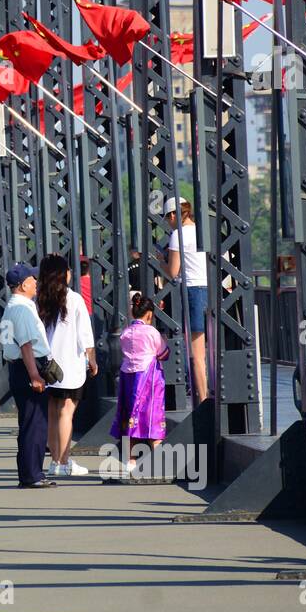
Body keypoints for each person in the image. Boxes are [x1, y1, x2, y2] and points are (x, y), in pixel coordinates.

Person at [37, 254, 98, 478]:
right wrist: (91, 359)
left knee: (53, 413)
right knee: (66, 413)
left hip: (48, 367)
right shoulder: (73, 299)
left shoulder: (40, 299)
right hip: (70, 366)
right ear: (63, 274)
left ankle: (54, 462)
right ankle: (64, 461)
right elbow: (85, 334)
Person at [0, 263, 56, 488]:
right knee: (36, 423)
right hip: (28, 367)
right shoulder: (22, 309)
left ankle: (30, 472)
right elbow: (25, 345)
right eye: (33, 280)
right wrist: (35, 375)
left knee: (29, 422)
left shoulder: (13, 306)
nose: (36, 283)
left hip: (19, 367)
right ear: (24, 285)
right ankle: (33, 475)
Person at [112, 295, 169, 471]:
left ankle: (131, 460)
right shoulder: (152, 332)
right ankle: (159, 459)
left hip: (128, 375)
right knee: (153, 415)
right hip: (149, 377)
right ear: (149, 314)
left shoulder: (126, 333)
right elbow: (163, 353)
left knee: (131, 415)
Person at [163, 196, 209, 402]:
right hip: (210, 289)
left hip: (192, 291)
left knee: (196, 353)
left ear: (174, 214)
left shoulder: (177, 235)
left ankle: (203, 398)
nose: (167, 222)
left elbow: (173, 272)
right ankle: (212, 394)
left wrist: (159, 262)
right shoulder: (202, 230)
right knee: (211, 349)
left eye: (167, 217)